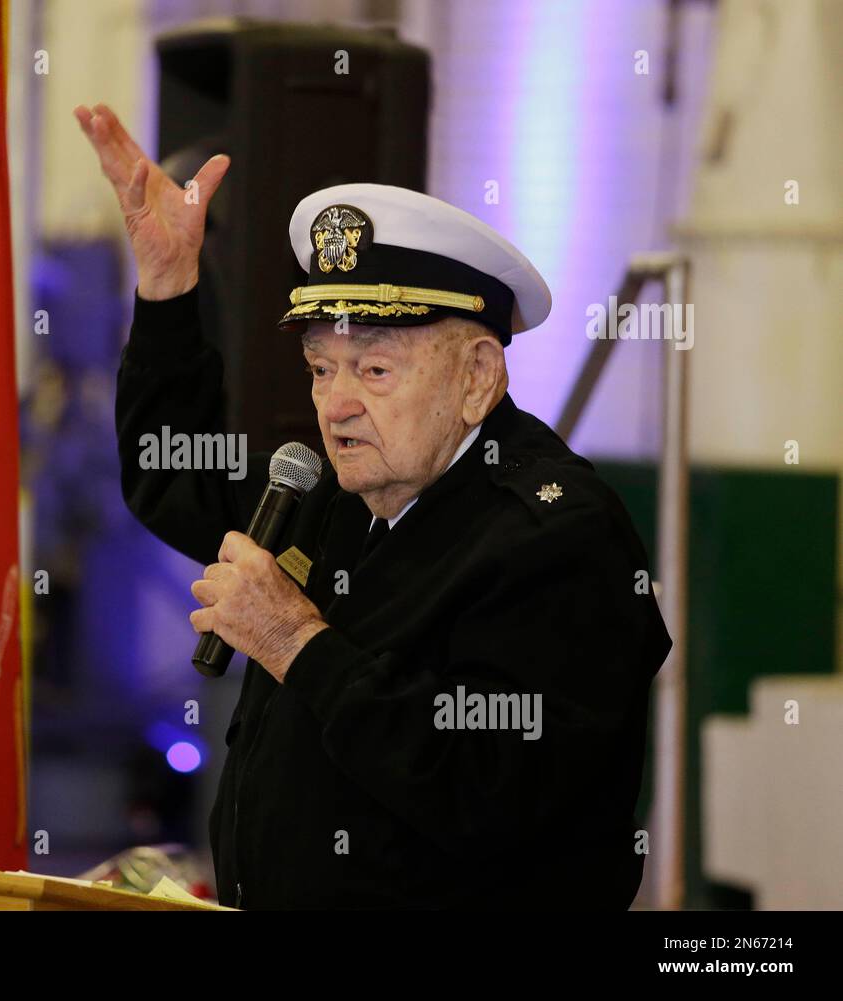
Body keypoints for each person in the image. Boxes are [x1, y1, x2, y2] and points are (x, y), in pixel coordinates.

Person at [76, 103, 672, 909]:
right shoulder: (331, 488)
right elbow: (168, 472)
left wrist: (297, 641)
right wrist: (169, 291)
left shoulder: (556, 537)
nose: (338, 405)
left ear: (476, 377)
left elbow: (492, 794)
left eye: (375, 370)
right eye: (322, 368)